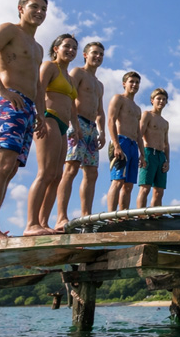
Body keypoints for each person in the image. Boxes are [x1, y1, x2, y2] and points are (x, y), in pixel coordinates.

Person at [0, 0, 48, 242]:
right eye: (34, 7)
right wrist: (1, 90)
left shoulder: (37, 48)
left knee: (11, 168)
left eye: (43, 9)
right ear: (21, 9)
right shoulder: (9, 30)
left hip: (27, 107)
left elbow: (37, 84)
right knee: (2, 164)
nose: (39, 12)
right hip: (9, 100)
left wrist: (40, 113)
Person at [24, 34, 80, 236]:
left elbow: (72, 104)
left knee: (57, 175)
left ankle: (43, 222)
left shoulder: (70, 77)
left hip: (64, 126)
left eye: (74, 48)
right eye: (67, 46)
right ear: (56, 48)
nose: (71, 50)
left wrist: (76, 125)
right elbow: (38, 89)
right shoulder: (49, 67)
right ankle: (31, 223)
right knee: (45, 172)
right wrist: (38, 114)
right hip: (48, 117)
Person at [54, 42, 107, 231]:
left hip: (92, 128)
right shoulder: (78, 73)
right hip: (77, 123)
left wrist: (102, 131)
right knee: (71, 169)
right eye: (94, 53)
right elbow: (69, 96)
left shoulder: (99, 84)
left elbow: (100, 111)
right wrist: (73, 124)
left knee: (92, 172)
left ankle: (86, 218)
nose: (98, 57)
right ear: (85, 55)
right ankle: (61, 216)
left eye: (101, 54)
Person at [106, 71, 144, 213]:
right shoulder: (118, 99)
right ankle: (110, 216)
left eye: (137, 82)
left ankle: (123, 215)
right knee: (117, 181)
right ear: (124, 84)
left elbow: (139, 133)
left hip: (133, 145)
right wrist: (116, 144)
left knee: (129, 185)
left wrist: (143, 154)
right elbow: (111, 121)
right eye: (131, 82)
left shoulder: (137, 108)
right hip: (121, 141)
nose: (134, 85)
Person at [137, 88, 170, 209]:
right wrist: (141, 154)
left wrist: (167, 161)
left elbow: (166, 143)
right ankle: (140, 216)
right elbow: (139, 135)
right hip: (149, 152)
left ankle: (155, 218)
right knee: (145, 188)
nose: (161, 101)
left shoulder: (165, 122)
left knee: (159, 191)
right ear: (152, 100)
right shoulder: (147, 115)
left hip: (161, 156)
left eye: (164, 99)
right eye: (159, 99)